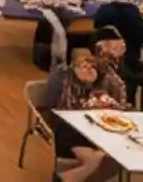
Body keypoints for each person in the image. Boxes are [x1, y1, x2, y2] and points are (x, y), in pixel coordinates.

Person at [51, 48, 128, 182]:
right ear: (73, 65)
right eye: (82, 64)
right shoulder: (67, 79)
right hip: (72, 131)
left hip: (100, 132)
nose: (88, 67)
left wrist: (106, 68)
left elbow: (120, 95)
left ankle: (63, 179)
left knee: (104, 158)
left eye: (91, 64)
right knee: (101, 159)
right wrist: (81, 83)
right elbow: (67, 111)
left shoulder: (103, 81)